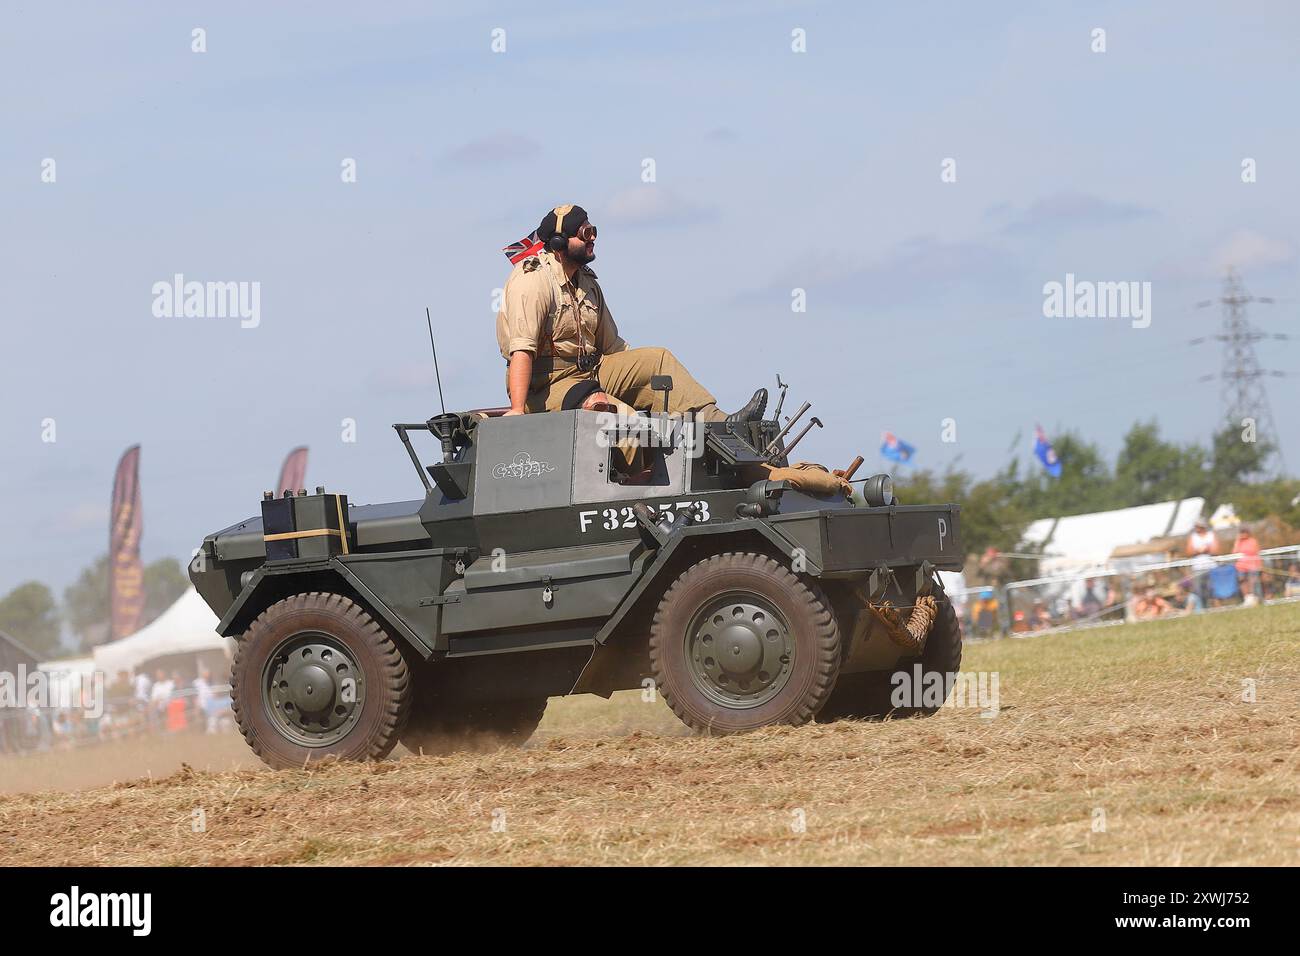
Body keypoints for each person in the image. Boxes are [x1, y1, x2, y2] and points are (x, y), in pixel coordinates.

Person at [496, 204, 768, 422]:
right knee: (619, 416)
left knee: (657, 360)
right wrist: (518, 410)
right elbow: (522, 349)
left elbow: (612, 346)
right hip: (545, 387)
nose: (593, 240)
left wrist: (636, 377)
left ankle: (722, 425)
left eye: (593, 231)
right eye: (585, 234)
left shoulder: (587, 282)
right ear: (558, 243)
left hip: (586, 374)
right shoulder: (532, 280)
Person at [1187, 518, 1217, 609]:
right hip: (1198, 568)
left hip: (1211, 566)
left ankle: (1214, 607)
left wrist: (1207, 549)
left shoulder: (1211, 535)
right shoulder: (1193, 537)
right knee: (1199, 589)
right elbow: (1189, 552)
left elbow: (1216, 550)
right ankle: (1202, 608)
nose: (1196, 528)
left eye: (1198, 526)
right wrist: (1198, 551)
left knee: (1212, 588)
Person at [1234, 526, 1262, 602]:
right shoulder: (1239, 542)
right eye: (1241, 532)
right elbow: (1234, 552)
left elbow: (1256, 552)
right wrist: (1237, 541)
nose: (1243, 534)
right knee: (1242, 582)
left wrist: (1259, 565)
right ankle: (1247, 598)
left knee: (1252, 582)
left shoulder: (1253, 541)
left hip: (1252, 566)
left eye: (1244, 532)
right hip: (1241, 567)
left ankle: (1255, 597)